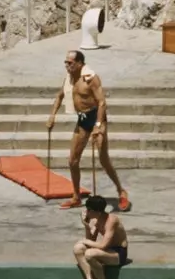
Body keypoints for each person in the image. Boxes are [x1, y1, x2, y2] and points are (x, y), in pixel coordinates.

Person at [47, 50, 130, 211]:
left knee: (103, 159)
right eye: (66, 62)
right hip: (83, 120)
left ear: (80, 63)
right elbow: (59, 96)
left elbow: (102, 103)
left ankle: (121, 191)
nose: (67, 66)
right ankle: (76, 197)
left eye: (70, 63)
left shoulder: (91, 78)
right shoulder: (70, 79)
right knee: (72, 161)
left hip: (97, 118)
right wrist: (52, 116)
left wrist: (98, 126)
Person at [72, 194, 129, 279]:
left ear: (96, 212)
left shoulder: (112, 220)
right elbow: (92, 240)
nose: (86, 212)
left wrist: (85, 241)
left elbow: (103, 245)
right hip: (108, 250)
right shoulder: (98, 220)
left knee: (90, 254)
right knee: (78, 248)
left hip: (119, 253)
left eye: (88, 210)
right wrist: (86, 226)